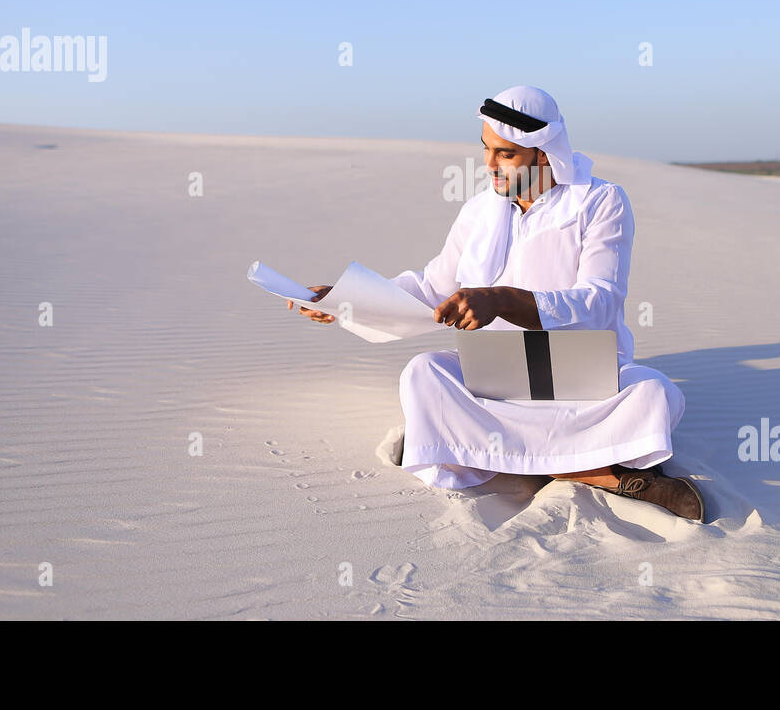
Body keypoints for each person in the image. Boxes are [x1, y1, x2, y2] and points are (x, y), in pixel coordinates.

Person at [289, 86, 706, 522]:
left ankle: (493, 453)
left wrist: (503, 299)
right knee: (424, 373)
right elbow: (433, 286)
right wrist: (346, 299)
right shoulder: (478, 211)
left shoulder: (600, 202)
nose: (489, 165)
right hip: (494, 372)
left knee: (654, 394)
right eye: (486, 150)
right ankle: (590, 467)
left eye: (505, 154)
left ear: (543, 154)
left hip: (576, 372)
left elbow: (599, 300)